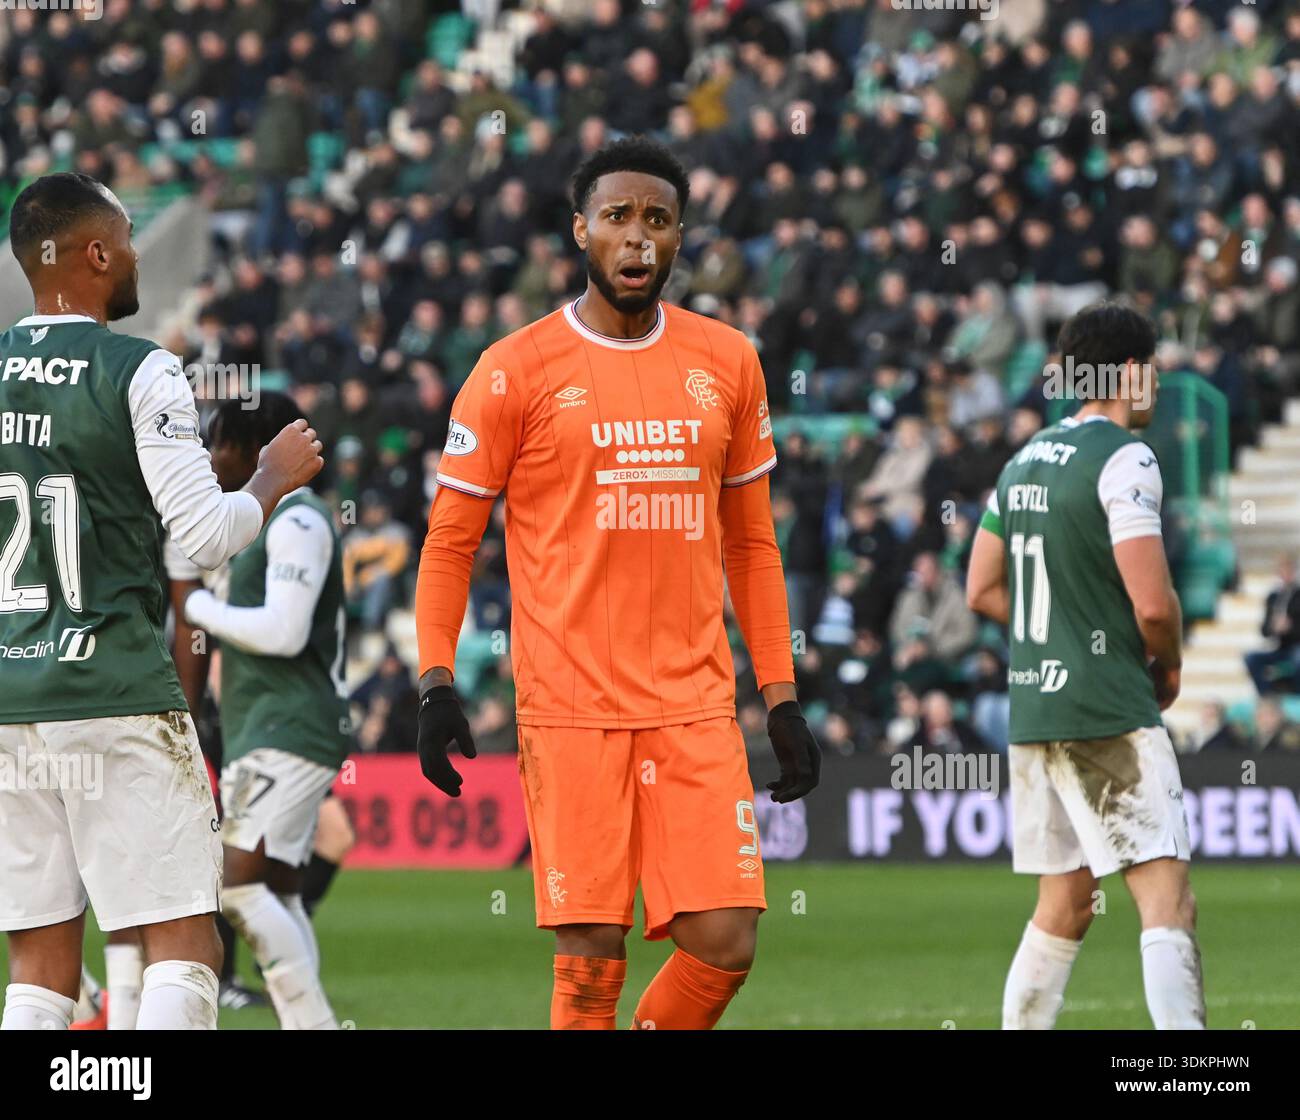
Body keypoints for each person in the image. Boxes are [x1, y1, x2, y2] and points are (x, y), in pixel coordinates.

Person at [414, 137, 820, 1030]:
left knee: (727, 937)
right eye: (617, 219)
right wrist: (436, 679)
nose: (637, 239)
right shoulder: (512, 369)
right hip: (570, 705)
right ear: (580, 233)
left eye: (657, 220)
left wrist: (780, 696)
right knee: (592, 951)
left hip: (695, 705)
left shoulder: (729, 361)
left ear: (680, 238)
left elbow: (752, 546)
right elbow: (450, 543)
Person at [0, 172, 322, 1031]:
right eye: (129, 237)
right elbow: (208, 533)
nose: (139, 252)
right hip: (114, 688)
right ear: (96, 253)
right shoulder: (139, 369)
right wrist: (270, 478)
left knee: (38, 965)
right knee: (186, 943)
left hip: (13, 697)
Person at [967, 302, 1204, 1030]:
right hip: (1106, 705)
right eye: (1154, 368)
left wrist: (1062, 633)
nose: (1158, 384)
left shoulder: (1024, 458)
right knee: (1166, 900)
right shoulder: (1126, 459)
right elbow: (1155, 608)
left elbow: (981, 587)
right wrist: (1163, 662)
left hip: (1035, 710)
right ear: (1128, 372)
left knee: (1064, 902)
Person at [171, 392, 352, 1030]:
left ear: (258, 449)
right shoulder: (264, 523)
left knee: (238, 885)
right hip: (268, 725)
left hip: (289, 724)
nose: (211, 455)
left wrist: (194, 607)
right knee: (274, 889)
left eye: (222, 441)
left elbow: (284, 631)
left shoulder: (298, 519)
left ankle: (314, 1023)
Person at [1243, 557, 1300, 694]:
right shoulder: (1274, 597)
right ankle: (1267, 697)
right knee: (1251, 658)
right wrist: (1274, 627)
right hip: (1281, 648)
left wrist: (1290, 628)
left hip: (1296, 647)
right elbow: (1264, 631)